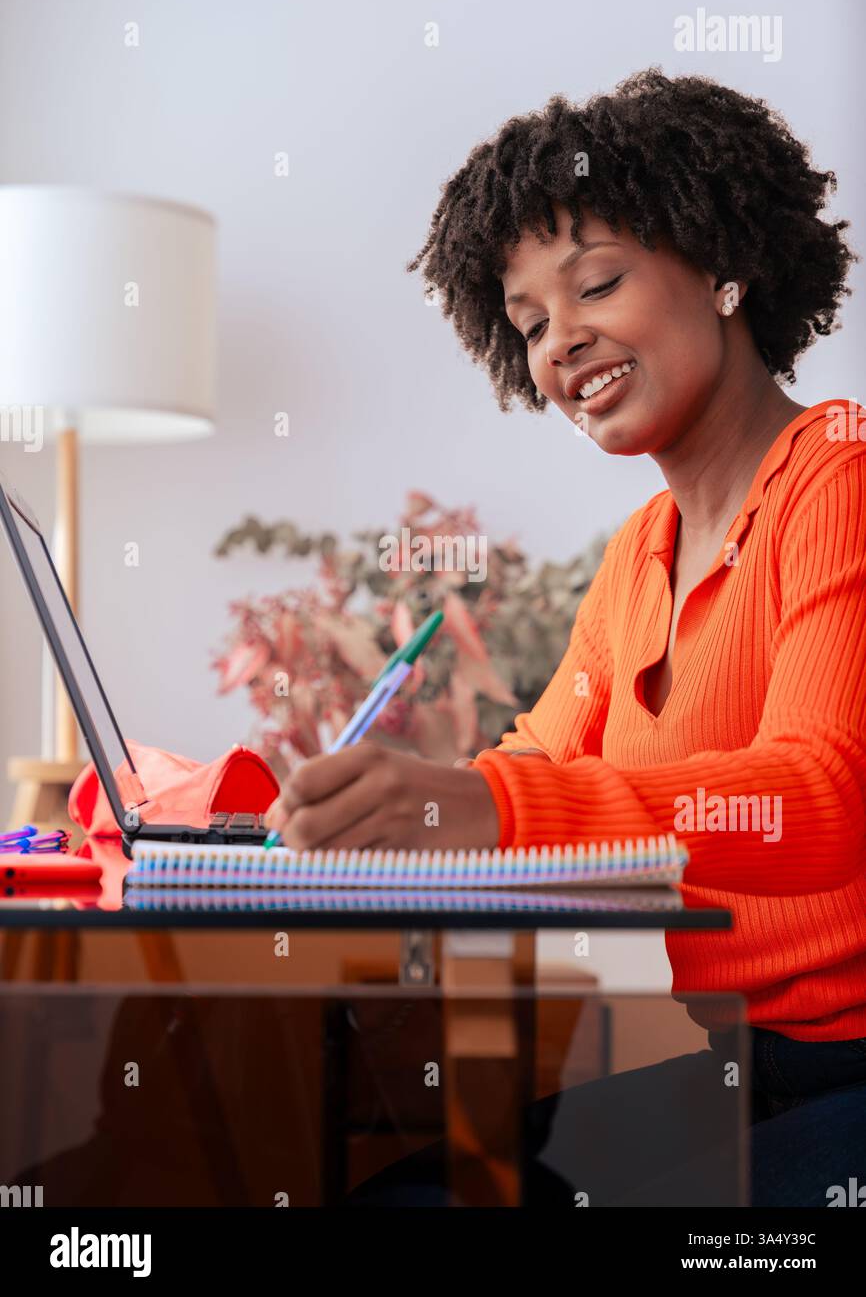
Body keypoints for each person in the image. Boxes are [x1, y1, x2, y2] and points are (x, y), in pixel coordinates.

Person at [266, 69, 866, 1205]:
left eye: (596, 283)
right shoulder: (640, 550)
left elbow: (822, 794)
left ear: (721, 260)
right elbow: (538, 761)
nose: (561, 342)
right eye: (531, 323)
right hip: (743, 1070)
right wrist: (375, 805)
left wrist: (483, 807)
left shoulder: (839, 479)